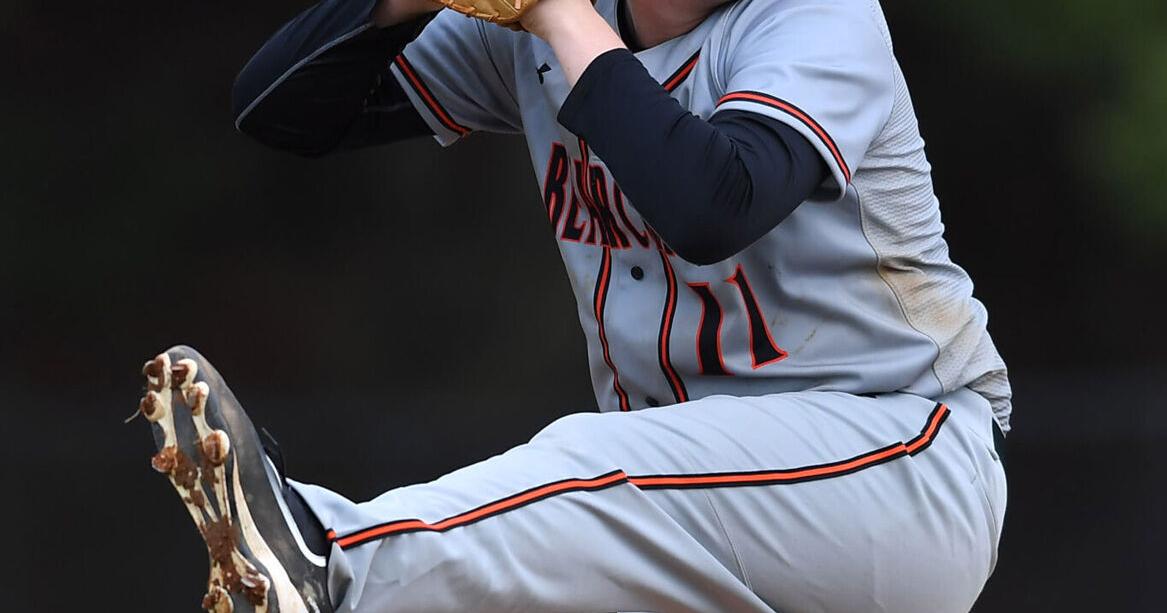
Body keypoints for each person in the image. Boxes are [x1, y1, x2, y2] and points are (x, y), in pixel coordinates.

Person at [137, 0, 1011, 611]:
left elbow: (712, 202)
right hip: (687, 528)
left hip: (895, 463)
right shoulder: (547, 30)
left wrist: (556, 11)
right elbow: (280, 109)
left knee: (598, 464)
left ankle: (327, 559)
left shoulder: (813, 17)